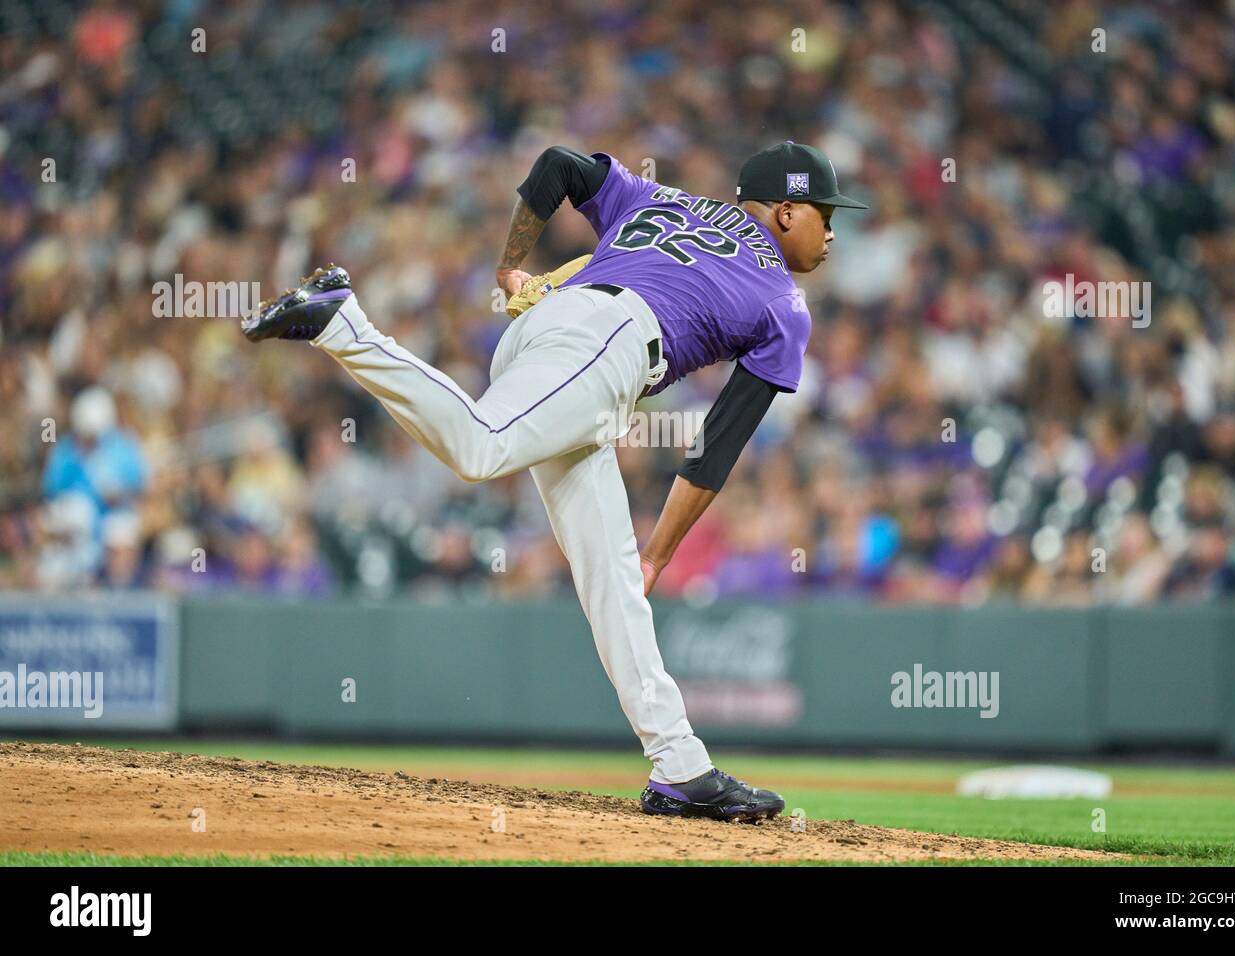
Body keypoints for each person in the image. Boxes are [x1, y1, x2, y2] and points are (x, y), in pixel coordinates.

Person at [242, 141, 867, 821]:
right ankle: (343, 321)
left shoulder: (665, 199)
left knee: (612, 579)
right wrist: (662, 552)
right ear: (783, 212)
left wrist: (511, 265)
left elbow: (559, 165)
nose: (832, 230)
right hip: (608, 343)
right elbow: (715, 448)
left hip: (557, 333)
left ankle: (679, 765)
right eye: (823, 212)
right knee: (480, 450)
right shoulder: (784, 301)